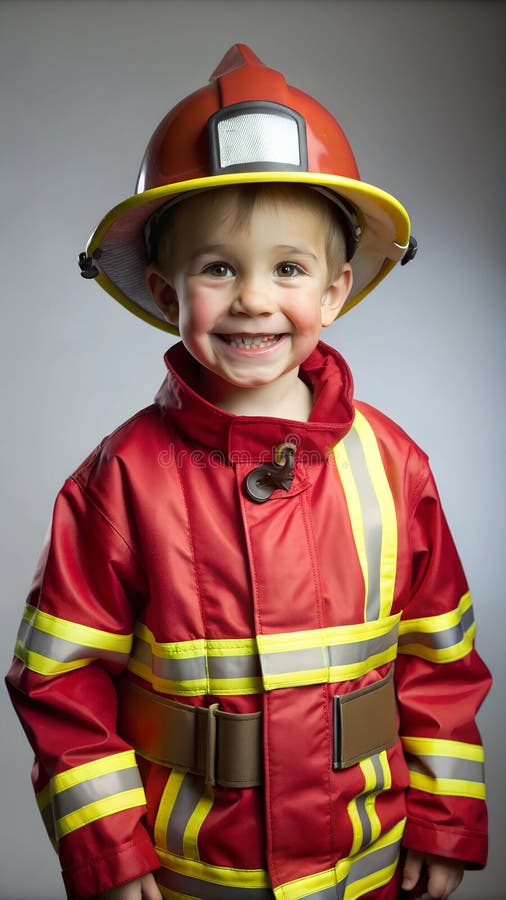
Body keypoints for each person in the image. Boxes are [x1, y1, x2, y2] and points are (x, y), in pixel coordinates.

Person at [6, 44, 491, 900]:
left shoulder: (394, 466)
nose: (254, 299)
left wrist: (445, 820)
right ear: (167, 293)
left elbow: (439, 660)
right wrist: (111, 853)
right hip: (196, 875)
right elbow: (62, 681)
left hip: (367, 866)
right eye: (218, 267)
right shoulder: (119, 481)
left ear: (336, 291)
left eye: (289, 269)